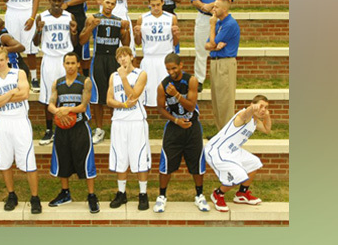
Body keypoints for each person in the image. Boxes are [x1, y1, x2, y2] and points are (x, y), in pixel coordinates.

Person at [0, 47, 41, 214]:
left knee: (28, 161)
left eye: (1, 60)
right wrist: (11, 92)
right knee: (5, 161)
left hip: (19, 121)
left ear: (7, 59)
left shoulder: (19, 73)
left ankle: (35, 198)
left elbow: (24, 94)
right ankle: (11, 195)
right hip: (2, 122)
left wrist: (2, 97)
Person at [155, 53, 210, 213]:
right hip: (174, 127)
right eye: (167, 69)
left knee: (196, 162)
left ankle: (199, 195)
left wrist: (177, 95)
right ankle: (162, 196)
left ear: (180, 66)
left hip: (192, 126)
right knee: (166, 164)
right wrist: (176, 120)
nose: (171, 72)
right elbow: (160, 109)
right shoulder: (163, 85)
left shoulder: (191, 80)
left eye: (173, 68)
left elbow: (191, 106)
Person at [46, 52, 99, 214]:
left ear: (77, 64)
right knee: (63, 159)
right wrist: (57, 111)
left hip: (79, 127)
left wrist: (65, 110)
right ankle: (65, 193)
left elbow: (83, 106)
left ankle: (91, 195)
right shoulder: (58, 83)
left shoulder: (85, 82)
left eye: (73, 63)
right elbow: (50, 105)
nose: (70, 66)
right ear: (63, 64)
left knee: (86, 162)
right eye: (67, 63)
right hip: (62, 129)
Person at [204, 95, 272, 212]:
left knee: (255, 163)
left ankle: (242, 194)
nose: (263, 109)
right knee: (239, 174)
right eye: (261, 106)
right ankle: (217, 194)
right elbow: (245, 114)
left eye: (265, 107)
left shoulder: (255, 121)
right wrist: (252, 108)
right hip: (217, 150)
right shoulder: (243, 116)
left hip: (233, 150)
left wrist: (267, 116)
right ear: (252, 104)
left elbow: (267, 130)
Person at [82, 0, 130, 145]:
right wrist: (91, 26)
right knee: (97, 97)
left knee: (115, 94)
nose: (109, 5)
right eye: (107, 2)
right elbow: (82, 39)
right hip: (99, 59)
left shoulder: (118, 21)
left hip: (113, 60)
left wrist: (126, 31)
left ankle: (117, 126)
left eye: (113, 4)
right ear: (102, 2)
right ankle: (99, 129)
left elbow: (126, 44)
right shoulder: (93, 18)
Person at [107, 46, 150, 211]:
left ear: (132, 56)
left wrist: (124, 78)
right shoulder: (113, 76)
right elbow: (109, 100)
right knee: (120, 158)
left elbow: (133, 95)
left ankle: (143, 194)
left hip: (136, 121)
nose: (122, 59)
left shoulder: (141, 74)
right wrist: (122, 105)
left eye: (125, 56)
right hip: (119, 121)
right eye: (119, 57)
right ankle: (121, 193)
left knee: (139, 158)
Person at [33, 0, 74, 145]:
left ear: (63, 1)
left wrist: (74, 31)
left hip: (65, 59)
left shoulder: (69, 17)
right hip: (49, 60)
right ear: (49, 1)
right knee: (48, 97)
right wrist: (38, 29)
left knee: (67, 93)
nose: (57, 3)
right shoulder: (42, 17)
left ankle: (67, 126)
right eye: (54, 0)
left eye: (59, 1)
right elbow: (35, 42)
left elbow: (74, 40)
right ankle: (49, 130)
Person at [0, 0, 39, 89]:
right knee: (12, 47)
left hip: (27, 11)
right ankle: (13, 77)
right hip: (12, 12)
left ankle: (34, 78)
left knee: (31, 49)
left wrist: (33, 17)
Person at [190, 0, 234, 82]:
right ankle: (199, 80)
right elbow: (195, 1)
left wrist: (212, 5)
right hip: (204, 18)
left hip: (221, 19)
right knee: (201, 49)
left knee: (220, 47)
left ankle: (220, 77)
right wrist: (204, 6)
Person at [135, 0, 180, 108]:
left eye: (158, 5)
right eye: (153, 5)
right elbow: (138, 42)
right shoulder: (142, 18)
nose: (156, 8)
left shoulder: (171, 18)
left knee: (167, 90)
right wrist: (137, 34)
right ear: (149, 4)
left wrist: (176, 35)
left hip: (165, 57)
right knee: (147, 89)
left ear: (163, 3)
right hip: (149, 57)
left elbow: (175, 42)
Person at [205, 0, 240, 128]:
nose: (213, 9)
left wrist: (212, 25)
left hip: (225, 63)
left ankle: (227, 133)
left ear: (224, 9)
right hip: (215, 62)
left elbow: (211, 43)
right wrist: (213, 45)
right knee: (217, 100)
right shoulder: (219, 23)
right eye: (213, 6)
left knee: (225, 101)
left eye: (216, 7)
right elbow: (207, 45)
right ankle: (220, 132)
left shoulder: (229, 24)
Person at [53, 0, 91, 71]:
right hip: (65, 16)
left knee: (81, 48)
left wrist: (68, 2)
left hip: (79, 14)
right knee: (67, 47)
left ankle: (84, 76)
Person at [0, 16, 32, 88]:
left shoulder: (4, 37)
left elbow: (21, 47)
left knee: (17, 95)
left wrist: (6, 49)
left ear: (1, 28)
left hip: (16, 67)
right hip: (6, 69)